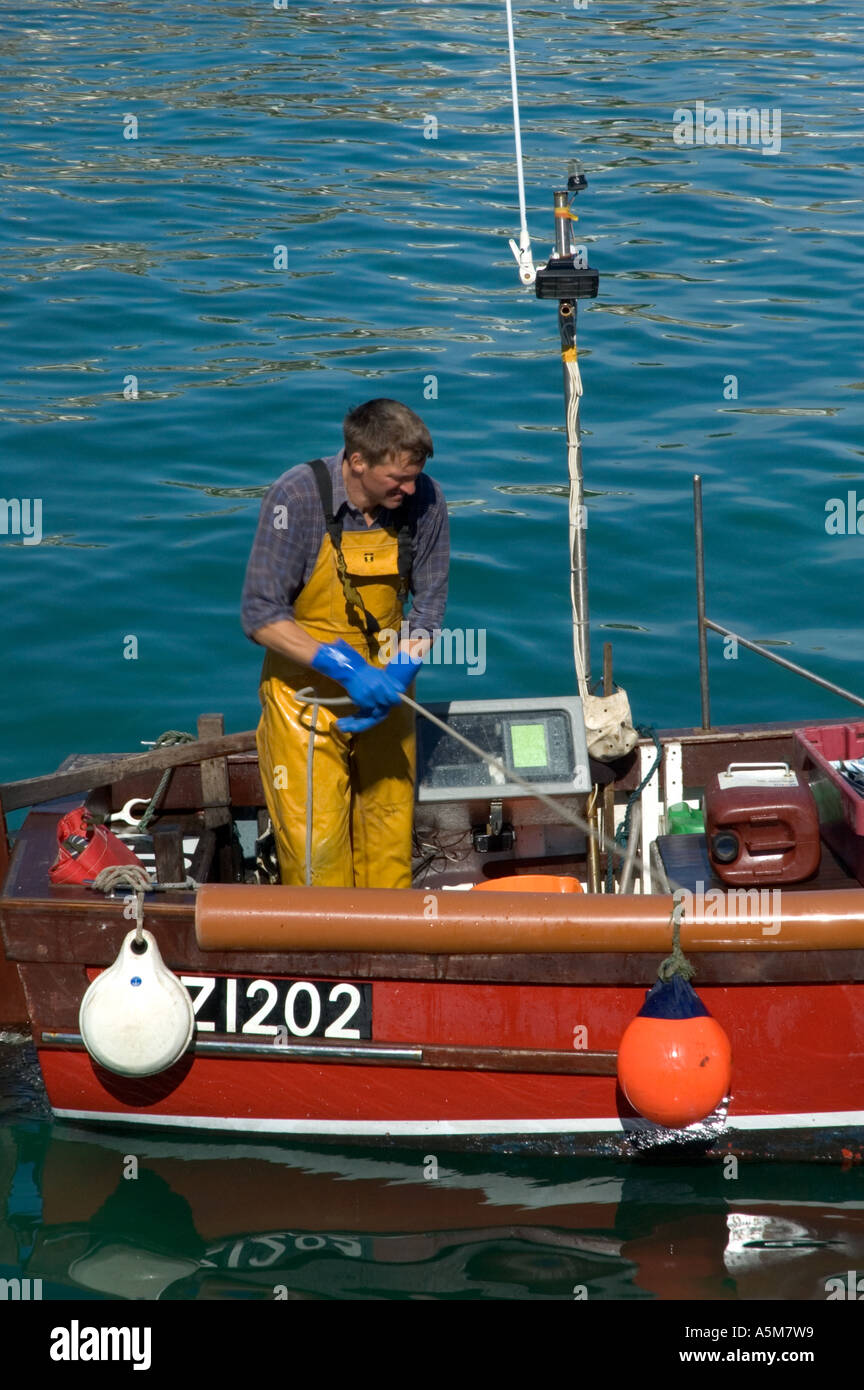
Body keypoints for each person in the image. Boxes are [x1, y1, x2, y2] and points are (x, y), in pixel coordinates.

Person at [241, 399, 449, 888]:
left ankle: (387, 954)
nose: (410, 489)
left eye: (415, 476)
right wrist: (343, 667)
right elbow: (260, 614)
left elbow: (428, 610)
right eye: (397, 479)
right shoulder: (296, 497)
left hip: (387, 692)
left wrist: (399, 671)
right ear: (358, 461)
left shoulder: (426, 501)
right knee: (316, 852)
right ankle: (323, 955)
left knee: (388, 842)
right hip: (303, 699)